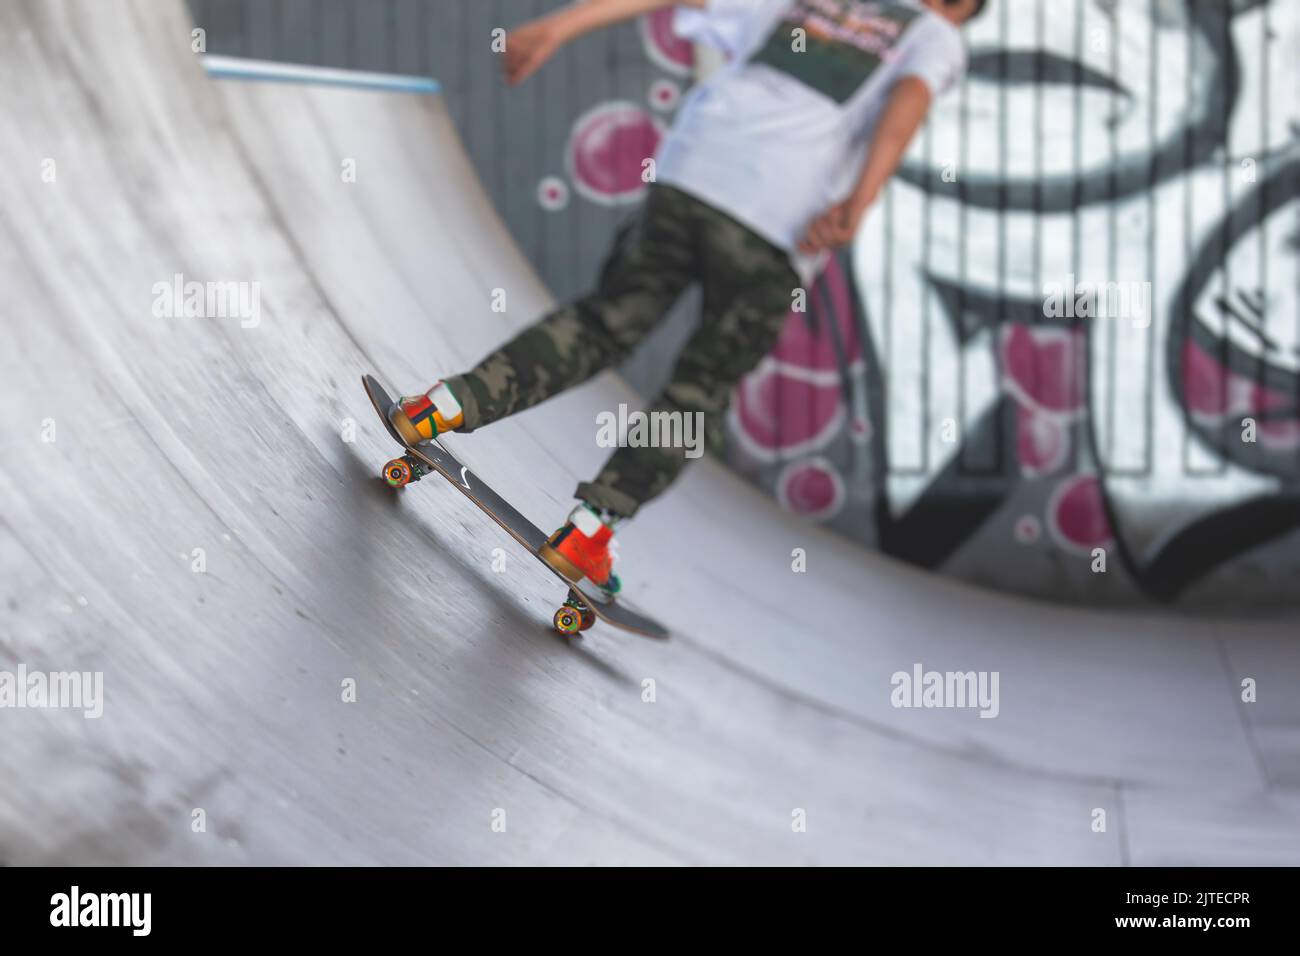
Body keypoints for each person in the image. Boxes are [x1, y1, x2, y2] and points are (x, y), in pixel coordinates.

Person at [389, 0, 985, 593]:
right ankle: (589, 530)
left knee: (601, 324)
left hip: (691, 171)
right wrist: (860, 200)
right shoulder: (934, 32)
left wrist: (558, 25)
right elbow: (908, 102)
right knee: (698, 390)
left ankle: (441, 406)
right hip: (777, 222)